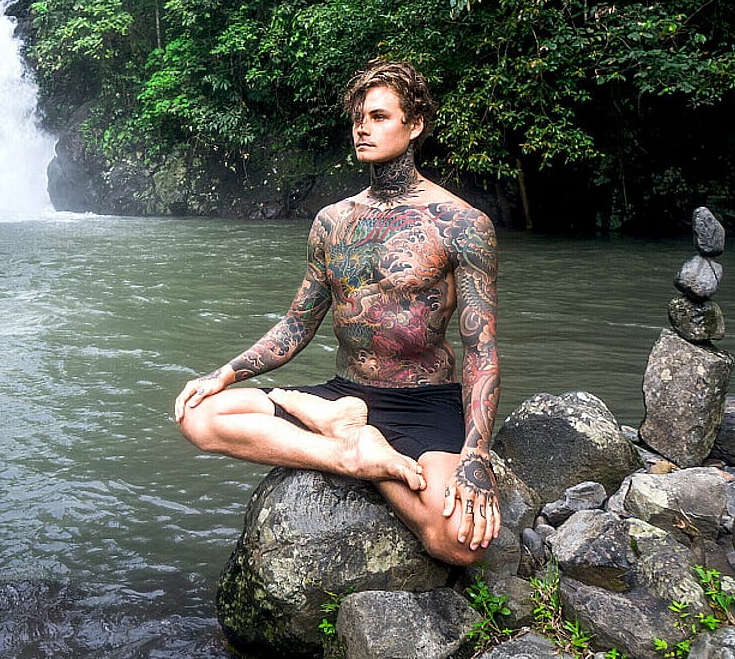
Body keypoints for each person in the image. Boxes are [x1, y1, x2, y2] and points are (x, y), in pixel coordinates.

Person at [174, 59, 501, 564]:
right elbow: (297, 324)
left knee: (457, 541)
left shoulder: (461, 224)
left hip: (424, 402)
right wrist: (225, 373)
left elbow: (480, 347)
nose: (362, 128)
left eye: (378, 116)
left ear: (414, 126)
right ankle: (351, 451)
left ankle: (363, 448)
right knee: (197, 416)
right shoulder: (333, 222)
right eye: (357, 119)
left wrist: (476, 455)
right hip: (345, 394)